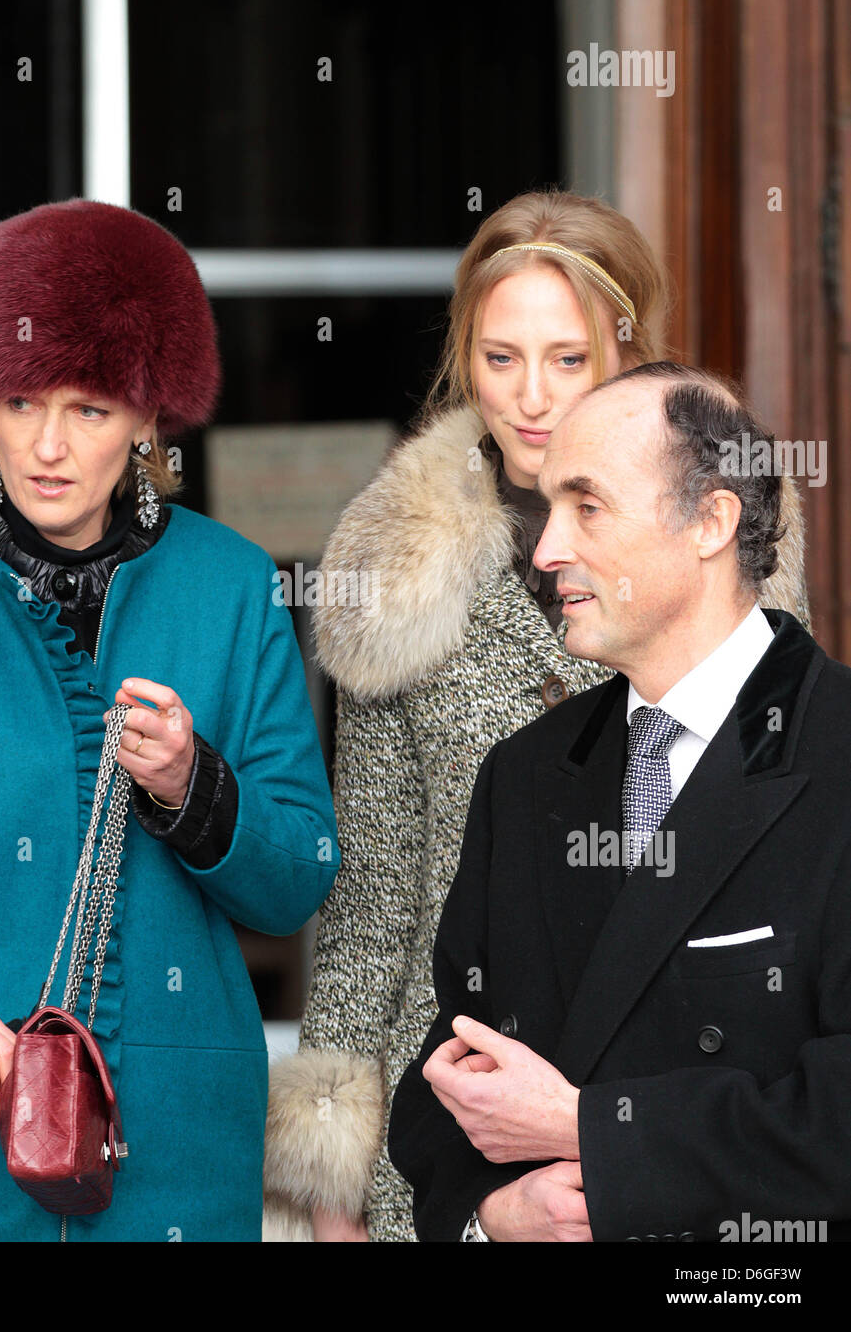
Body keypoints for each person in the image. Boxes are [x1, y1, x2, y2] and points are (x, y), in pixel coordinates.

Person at [261, 191, 811, 1241]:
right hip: (457, 1109)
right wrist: (326, 1185)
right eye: (498, 356)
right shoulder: (397, 565)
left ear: (625, 348)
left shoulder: (730, 549)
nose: (531, 397)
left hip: (681, 1099)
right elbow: (373, 889)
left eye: (566, 359)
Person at [0, 199, 338, 1243]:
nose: (47, 446)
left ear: (147, 418)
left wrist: (192, 785)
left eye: (90, 409)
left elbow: (296, 878)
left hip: (172, 1167)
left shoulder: (230, 586)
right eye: (20, 402)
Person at [388, 361, 851, 1242]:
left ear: (709, 522)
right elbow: (443, 1071)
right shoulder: (523, 775)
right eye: (545, 506)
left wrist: (593, 1134)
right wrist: (490, 1215)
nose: (544, 549)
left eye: (585, 507)